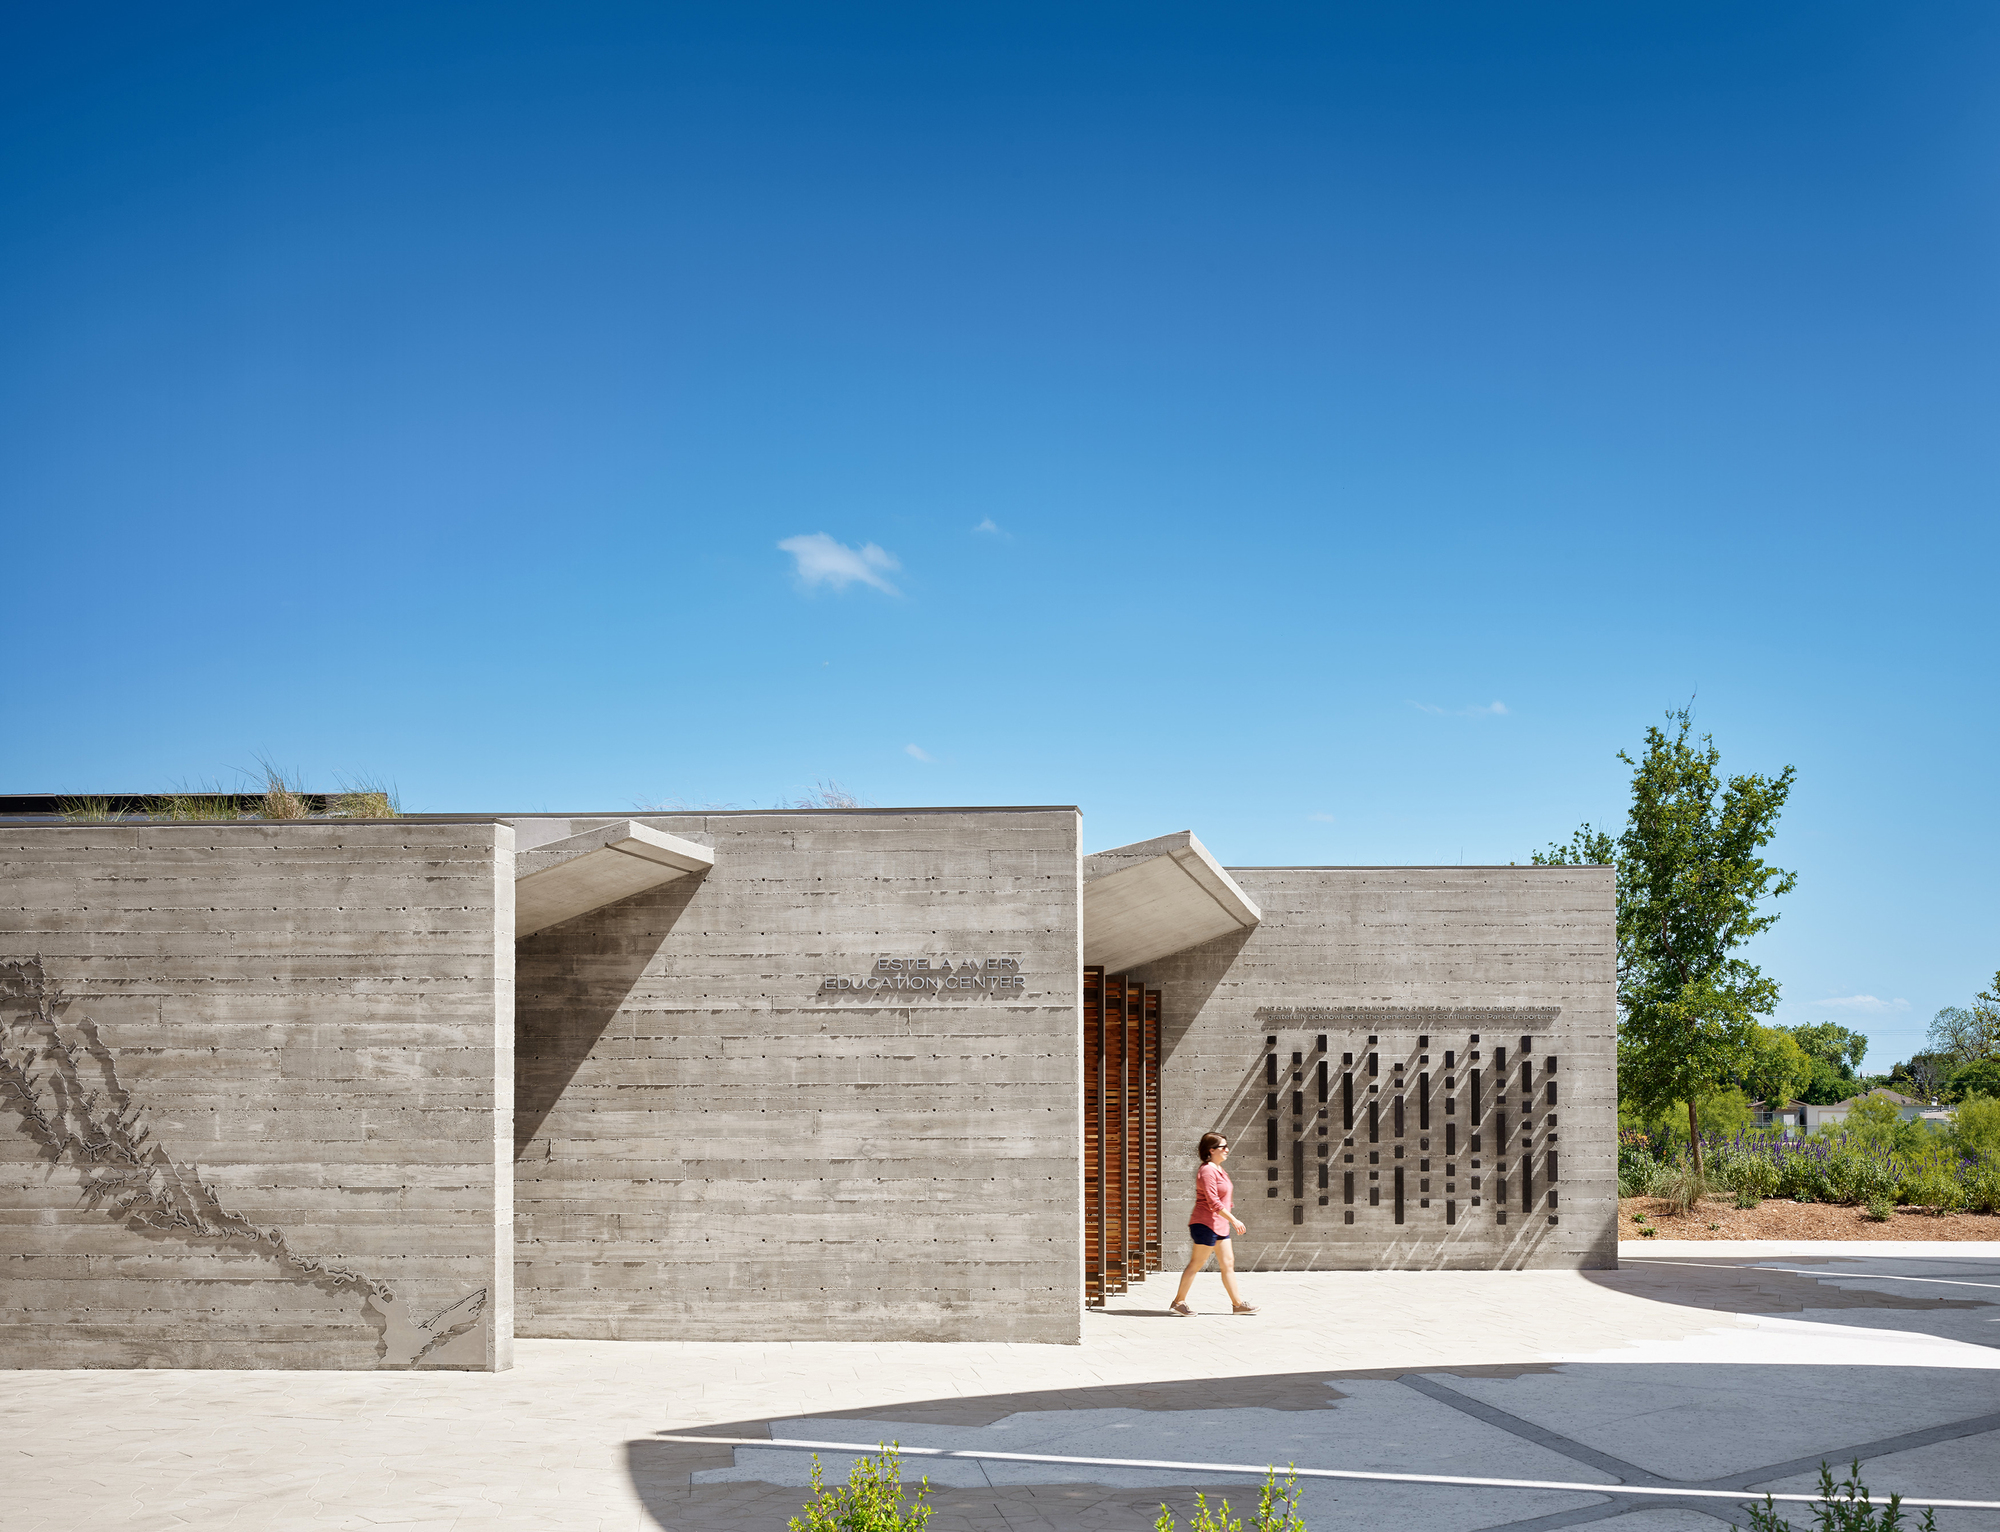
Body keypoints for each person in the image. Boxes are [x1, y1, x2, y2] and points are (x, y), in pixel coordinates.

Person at [1169, 1132, 1255, 1315]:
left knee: (1228, 1264)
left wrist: (1229, 1218)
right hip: (1205, 1224)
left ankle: (1237, 1304)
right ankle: (1178, 1302)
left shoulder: (1219, 1169)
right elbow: (1213, 1202)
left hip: (1220, 1225)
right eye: (1223, 1147)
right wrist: (1234, 1220)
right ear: (1211, 1150)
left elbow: (1225, 1200)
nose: (1227, 1150)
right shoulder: (1207, 1170)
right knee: (1196, 1264)